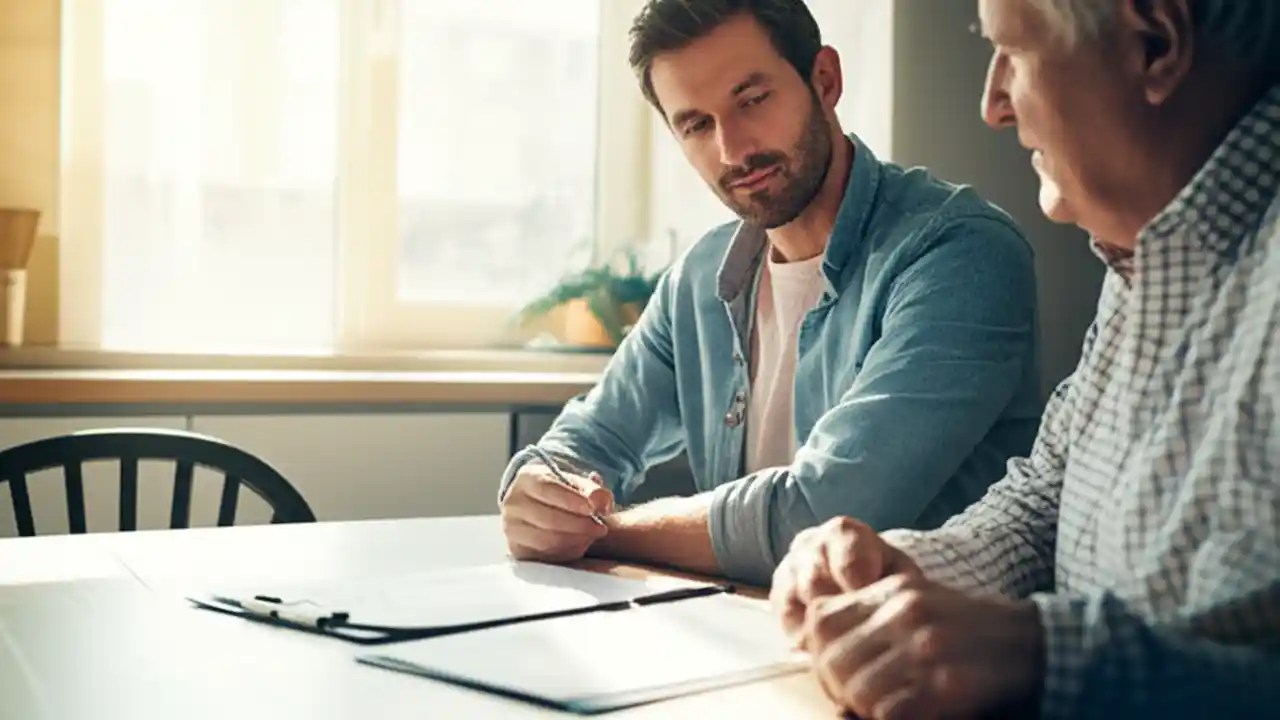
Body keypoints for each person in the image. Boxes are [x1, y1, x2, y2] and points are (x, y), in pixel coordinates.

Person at [770, 0, 1280, 717]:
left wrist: (1042, 656)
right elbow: (1046, 501)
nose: (993, 104)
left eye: (1013, 50)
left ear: (1156, 45)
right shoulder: (1143, 255)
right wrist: (899, 570)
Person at [498, 0, 1043, 585]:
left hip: (917, 656)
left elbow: (824, 514)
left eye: (751, 100)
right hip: (746, 633)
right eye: (697, 124)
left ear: (825, 80)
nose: (733, 149)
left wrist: (601, 530)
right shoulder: (700, 280)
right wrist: (538, 490)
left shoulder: (959, 253)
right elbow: (589, 439)